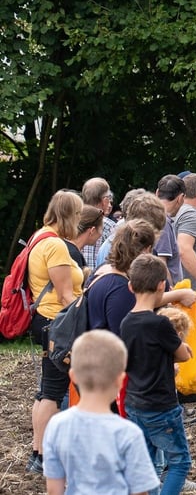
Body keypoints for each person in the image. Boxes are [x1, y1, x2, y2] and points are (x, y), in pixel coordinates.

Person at [42, 330, 160, 495]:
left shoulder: (56, 425)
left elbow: (54, 490)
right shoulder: (129, 433)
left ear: (73, 376)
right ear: (120, 380)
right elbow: (140, 491)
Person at [120, 254, 196, 495]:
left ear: (130, 286)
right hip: (161, 406)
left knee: (147, 464)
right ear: (162, 286)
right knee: (180, 462)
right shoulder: (160, 324)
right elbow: (183, 354)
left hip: (134, 403)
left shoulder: (126, 322)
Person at [27, 190, 84, 476]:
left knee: (46, 391)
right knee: (52, 392)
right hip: (57, 323)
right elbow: (65, 296)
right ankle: (44, 455)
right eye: (77, 214)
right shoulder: (56, 246)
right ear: (69, 215)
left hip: (45, 320)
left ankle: (38, 453)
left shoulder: (40, 237)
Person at [80, 177, 117, 269]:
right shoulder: (110, 227)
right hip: (99, 278)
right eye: (109, 198)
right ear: (104, 200)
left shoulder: (72, 220)